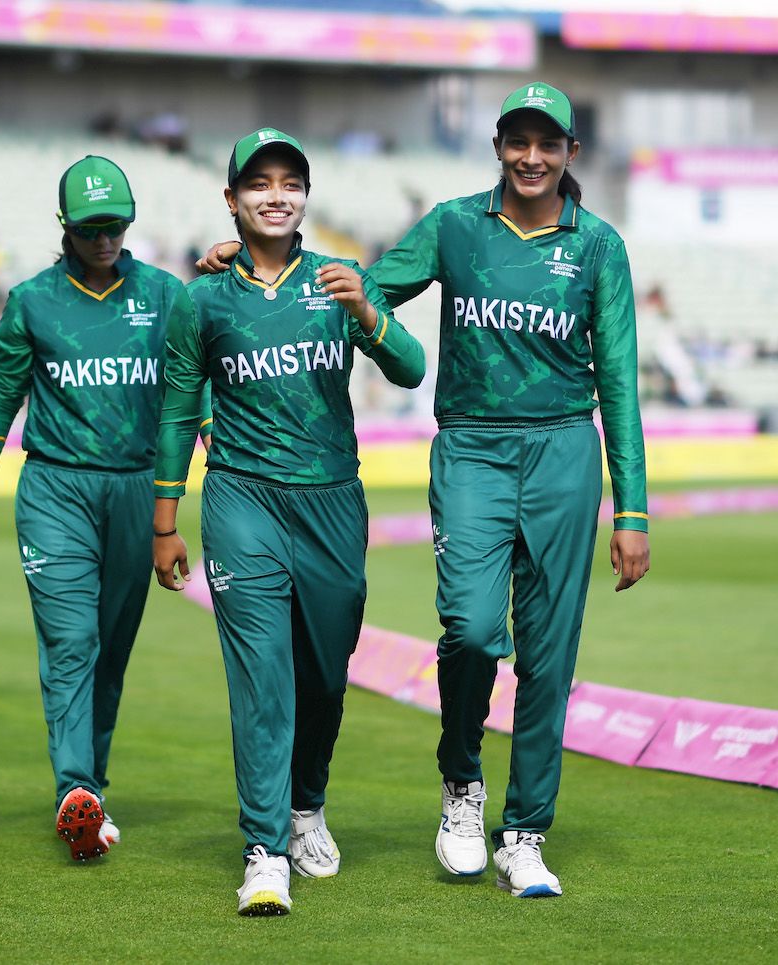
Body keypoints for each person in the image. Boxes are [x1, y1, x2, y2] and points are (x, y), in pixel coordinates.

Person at [199, 84, 651, 899]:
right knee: (475, 632)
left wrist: (633, 508)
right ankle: (462, 783)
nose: (532, 156)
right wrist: (250, 266)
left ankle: (526, 831)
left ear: (571, 154)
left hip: (564, 453)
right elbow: (357, 287)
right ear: (498, 145)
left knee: (549, 659)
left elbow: (618, 382)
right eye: (518, 140)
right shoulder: (453, 226)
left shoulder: (599, 248)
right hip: (472, 448)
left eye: (548, 144)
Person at [154, 129, 424, 916]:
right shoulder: (199, 298)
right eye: (260, 183)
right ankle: (265, 848)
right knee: (262, 678)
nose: (277, 195)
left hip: (334, 501)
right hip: (242, 500)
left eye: (291, 183)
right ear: (232, 199)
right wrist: (165, 522)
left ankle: (307, 804)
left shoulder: (339, 280)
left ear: (305, 197)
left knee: (325, 675)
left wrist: (368, 312)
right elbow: (177, 412)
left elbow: (410, 366)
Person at [0, 156, 197, 861]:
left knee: (111, 653)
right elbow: (2, 397)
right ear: (64, 225)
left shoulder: (167, 295)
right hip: (55, 489)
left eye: (117, 226)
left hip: (135, 488)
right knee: (72, 642)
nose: (105, 240)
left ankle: (92, 785)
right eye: (91, 228)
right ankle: (75, 789)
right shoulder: (32, 301)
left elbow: (191, 399)